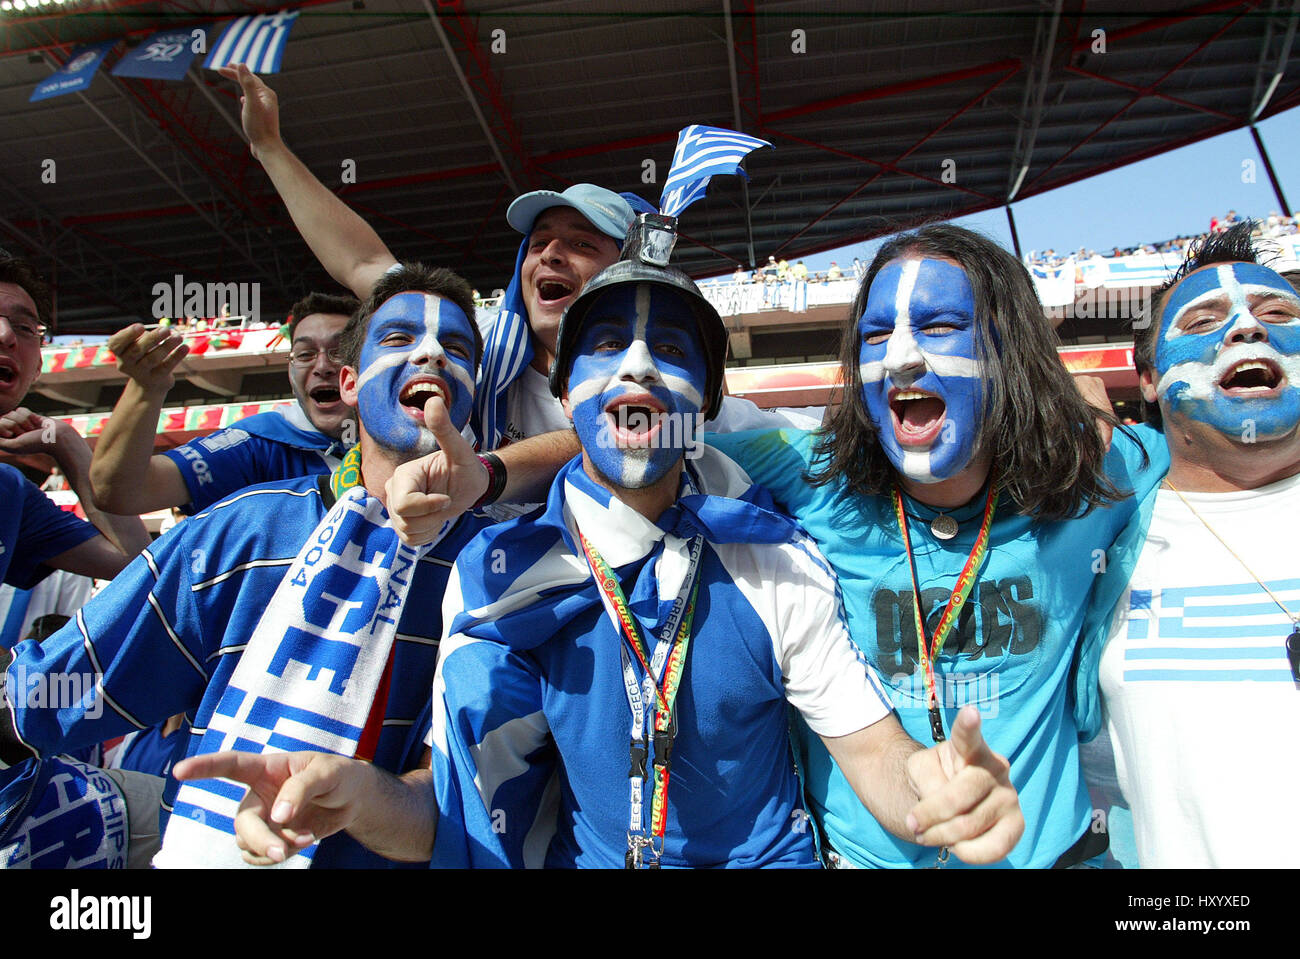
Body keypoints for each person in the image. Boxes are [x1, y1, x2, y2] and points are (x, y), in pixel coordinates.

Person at [177, 226, 1024, 868]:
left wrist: (935, 790)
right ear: (563, 388)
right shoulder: (498, 579)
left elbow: (873, 749)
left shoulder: (771, 549)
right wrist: (362, 797)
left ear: (709, 401)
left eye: (675, 351)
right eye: (610, 345)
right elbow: (461, 818)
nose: (642, 369)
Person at [704, 224, 1167, 868]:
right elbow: (635, 445)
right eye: (874, 335)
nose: (901, 359)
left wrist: (1081, 401)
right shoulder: (811, 473)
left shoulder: (1100, 471)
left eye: (941, 325)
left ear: (1009, 349)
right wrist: (505, 469)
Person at [6, 263, 488, 868]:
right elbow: (54, 693)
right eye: (397, 339)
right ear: (347, 384)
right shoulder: (243, 533)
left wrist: (370, 801)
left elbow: (455, 803)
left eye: (457, 347)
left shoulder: (497, 571)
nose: (431, 355)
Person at [216, 64, 821, 459]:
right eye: (539, 243)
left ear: (625, 273)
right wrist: (268, 147)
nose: (551, 253)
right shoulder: (470, 353)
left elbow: (801, 444)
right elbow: (363, 261)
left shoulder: (669, 388)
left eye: (583, 243)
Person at [1083, 222, 1300, 867]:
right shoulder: (1097, 544)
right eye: (1204, 319)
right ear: (1147, 378)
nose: (1246, 330)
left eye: (1278, 312)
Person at [89, 291, 359, 517]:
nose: (322, 366)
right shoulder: (256, 445)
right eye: (305, 354)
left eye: (340, 351)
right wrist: (145, 389)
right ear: (289, 374)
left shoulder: (397, 438)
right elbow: (117, 493)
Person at [0, 255, 148, 584]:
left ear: (37, 368)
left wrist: (64, 442)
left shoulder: (10, 494)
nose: (6, 335)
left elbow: (137, 565)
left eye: (24, 328)